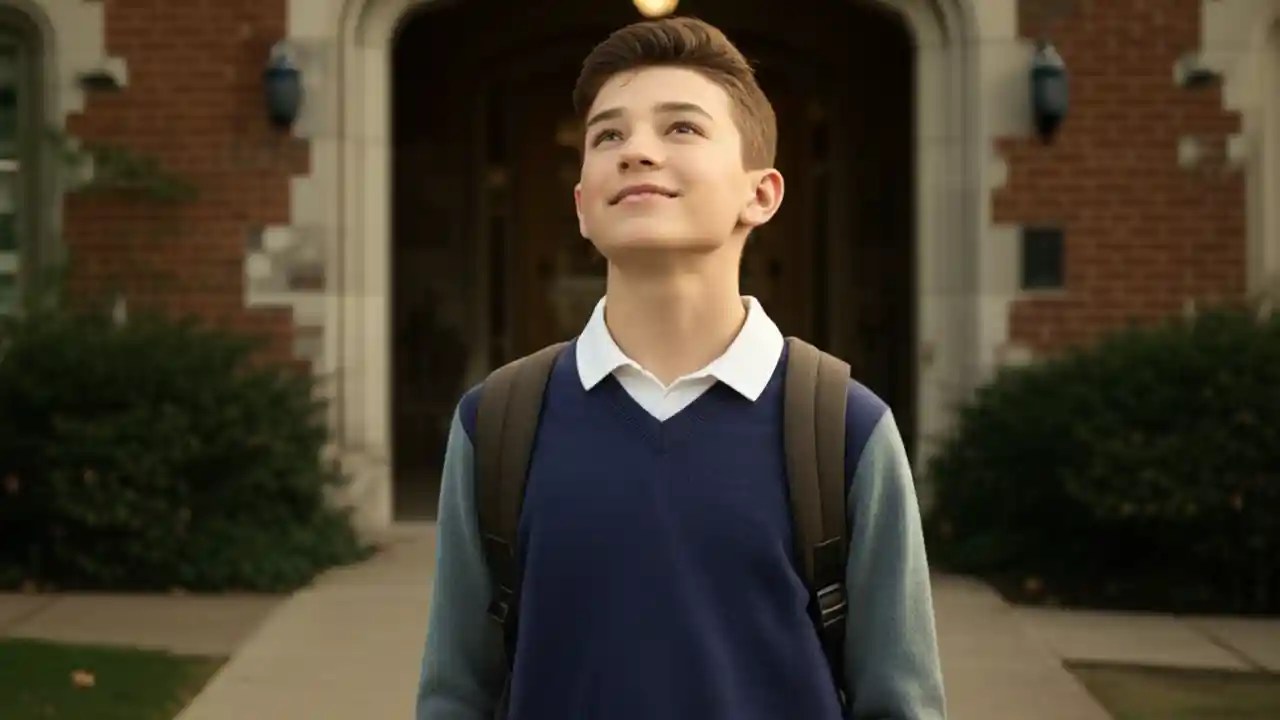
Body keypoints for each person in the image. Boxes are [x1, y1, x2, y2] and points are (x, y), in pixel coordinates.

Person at [416, 15, 946, 720]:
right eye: (608, 135)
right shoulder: (498, 422)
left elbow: (900, 705)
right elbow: (455, 695)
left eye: (681, 128)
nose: (636, 151)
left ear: (760, 194)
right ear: (581, 206)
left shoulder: (844, 427)